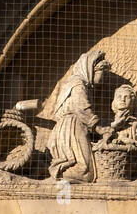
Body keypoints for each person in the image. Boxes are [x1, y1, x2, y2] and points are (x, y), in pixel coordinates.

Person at [40, 47, 107, 182]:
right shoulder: (78, 84)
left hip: (69, 128)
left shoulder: (77, 84)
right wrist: (100, 129)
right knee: (84, 170)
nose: (104, 78)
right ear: (91, 68)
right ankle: (61, 178)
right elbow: (82, 109)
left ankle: (61, 177)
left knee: (84, 170)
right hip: (72, 129)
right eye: (103, 73)